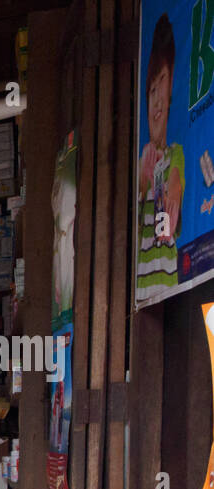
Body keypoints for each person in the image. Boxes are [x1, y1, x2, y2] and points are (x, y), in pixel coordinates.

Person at [137, 14, 184, 299]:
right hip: (140, 292)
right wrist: (144, 177)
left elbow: (167, 220)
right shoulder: (142, 159)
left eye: (162, 83)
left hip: (167, 290)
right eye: (151, 89)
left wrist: (169, 189)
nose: (156, 99)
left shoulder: (175, 154)